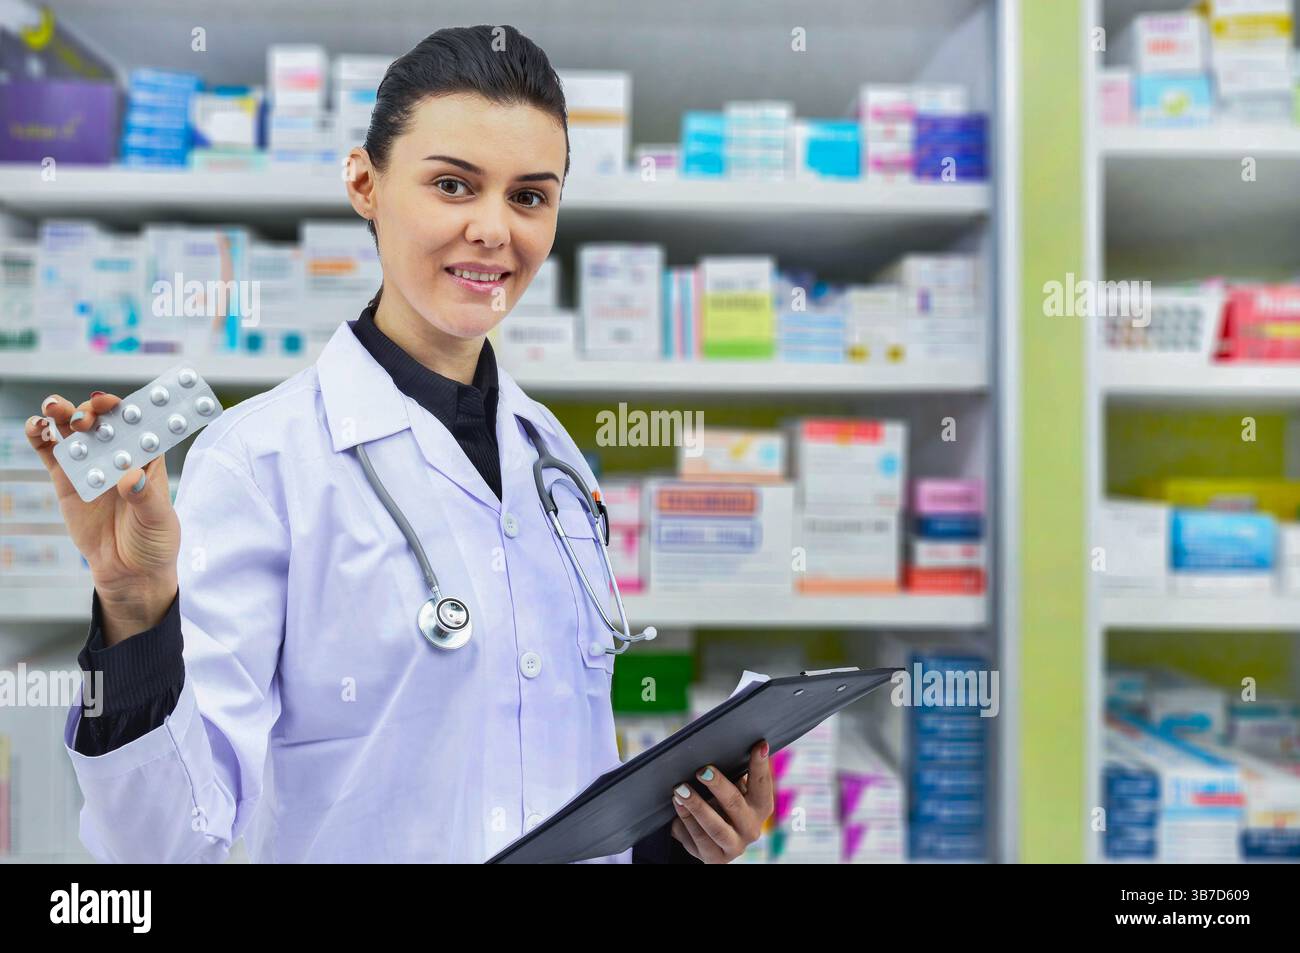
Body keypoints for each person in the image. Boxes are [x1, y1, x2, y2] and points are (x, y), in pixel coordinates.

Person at [25, 24, 772, 864]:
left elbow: (562, 778)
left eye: (530, 196)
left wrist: (678, 846)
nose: (495, 230)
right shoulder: (261, 460)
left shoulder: (553, 459)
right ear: (364, 182)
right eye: (454, 185)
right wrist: (132, 607)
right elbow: (163, 846)